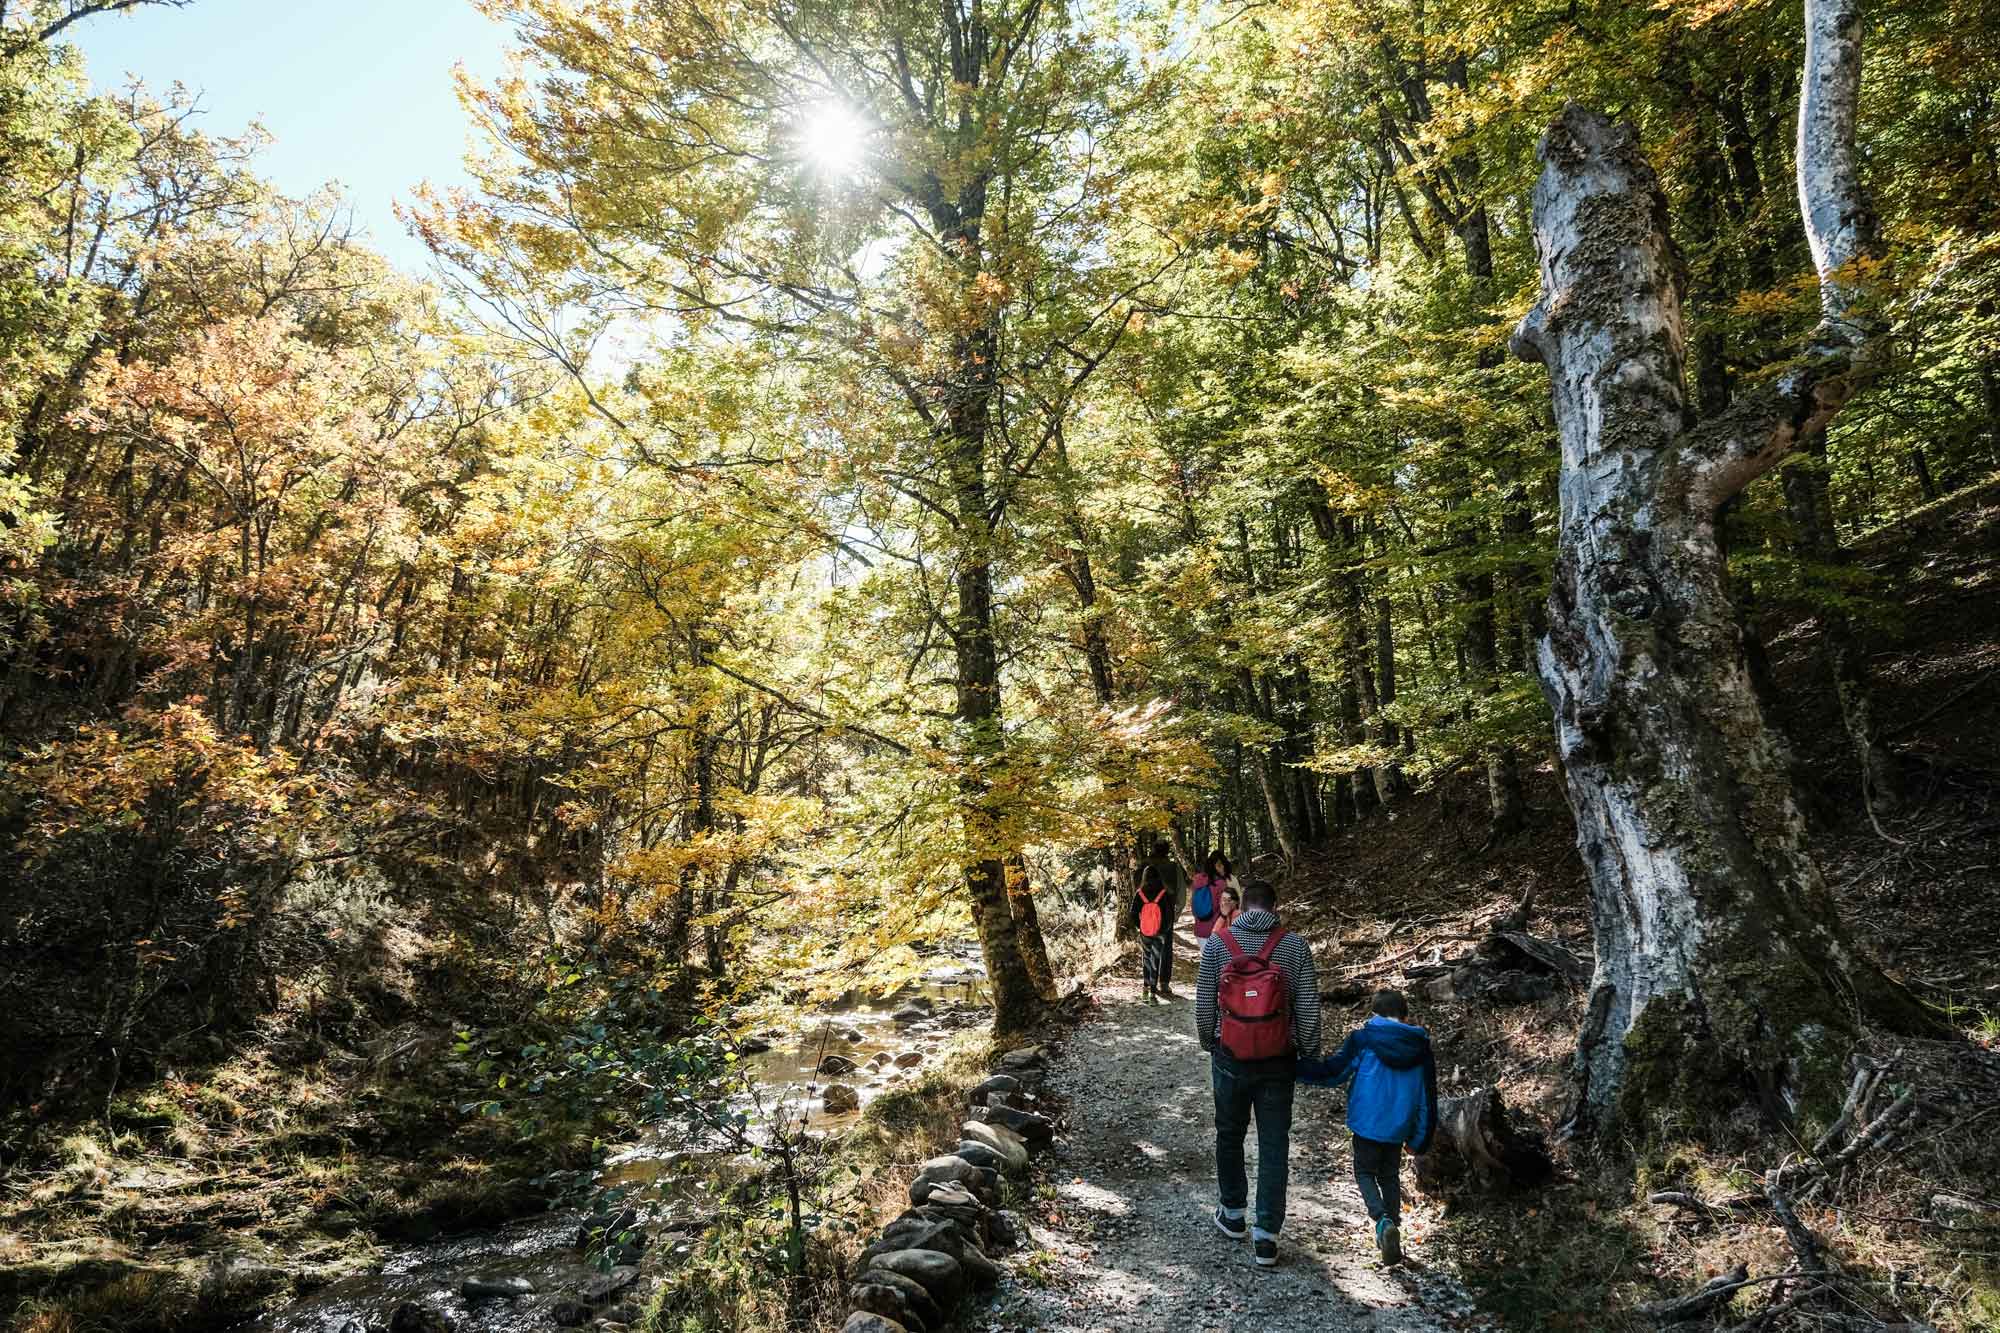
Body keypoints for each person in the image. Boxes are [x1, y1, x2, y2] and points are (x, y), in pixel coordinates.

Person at [1194, 877, 1321, 1267]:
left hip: (1230, 1056)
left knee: (1229, 1134)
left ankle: (1233, 1214)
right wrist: (1309, 1053)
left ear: (1242, 907)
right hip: (1278, 1059)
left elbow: (1203, 1005)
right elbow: (1309, 1009)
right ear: (1275, 906)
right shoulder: (1295, 946)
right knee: (1273, 1142)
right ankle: (1266, 1234)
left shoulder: (1218, 944)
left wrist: (1209, 1042)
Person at [1296, 988, 1439, 1266]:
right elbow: (1427, 1099)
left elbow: (1335, 1071)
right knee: (1389, 1176)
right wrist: (1419, 1140)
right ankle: (1394, 1226)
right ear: (1405, 1015)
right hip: (1399, 1127)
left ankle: (1382, 1221)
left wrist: (1295, 1069)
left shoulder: (1364, 1039)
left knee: (1364, 1171)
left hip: (1367, 1122)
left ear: (1373, 1013)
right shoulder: (1421, 1048)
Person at [1142, 838, 1186, 996]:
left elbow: (1137, 889)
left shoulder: (1144, 865)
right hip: (1166, 912)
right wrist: (1177, 912)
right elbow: (1181, 892)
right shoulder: (1173, 867)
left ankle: (1148, 982)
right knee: (1166, 948)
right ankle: (1164, 983)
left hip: (1146, 913)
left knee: (1148, 947)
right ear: (1167, 851)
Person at [1129, 864, 1178, 1004]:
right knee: (1155, 960)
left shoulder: (1140, 893)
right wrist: (1163, 930)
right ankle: (1152, 994)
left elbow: (1132, 914)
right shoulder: (1164, 893)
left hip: (1145, 932)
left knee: (1146, 959)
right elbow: (1169, 915)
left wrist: (1141, 927)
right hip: (1159, 933)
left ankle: (1145, 989)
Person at [1189, 850, 1238, 943]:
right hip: (1219, 931)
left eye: (1223, 864)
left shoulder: (1198, 879)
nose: (1222, 867)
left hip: (1200, 930)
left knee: (1206, 957)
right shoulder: (1222, 883)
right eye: (1219, 865)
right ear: (1213, 866)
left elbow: (1193, 904)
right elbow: (1229, 908)